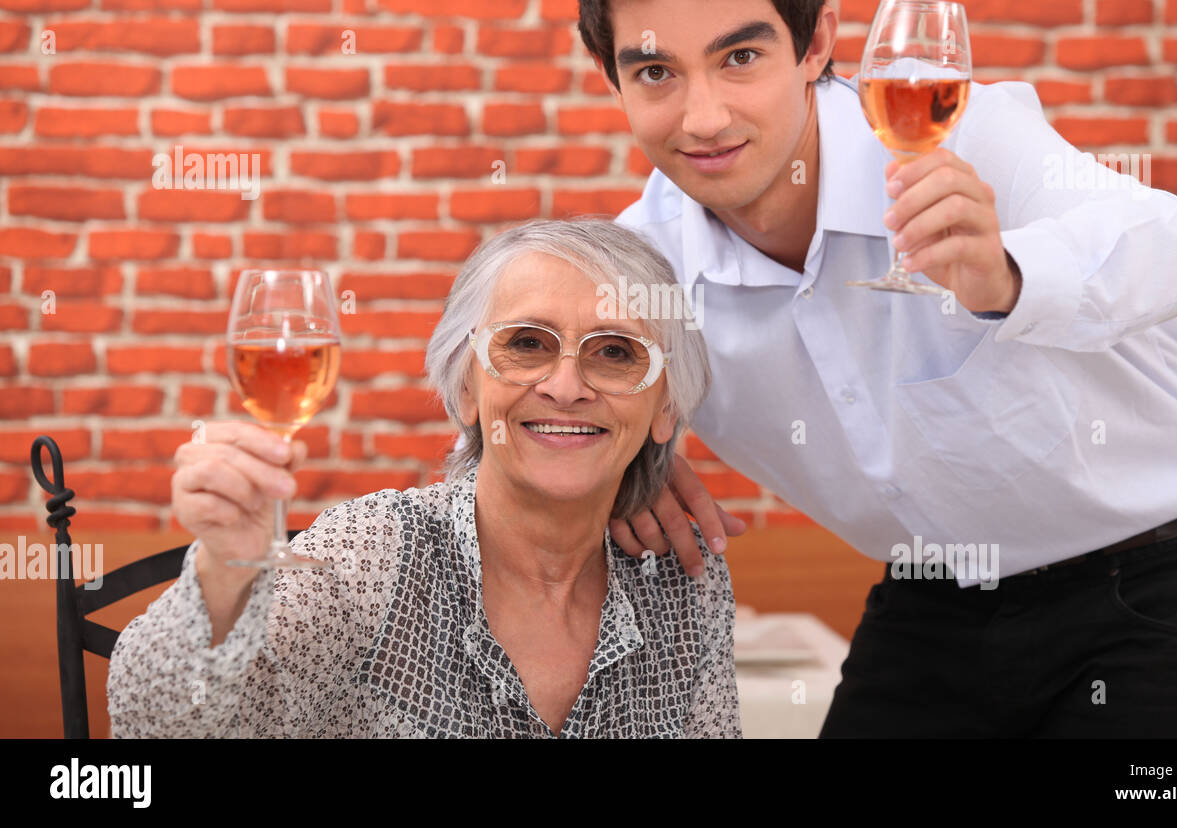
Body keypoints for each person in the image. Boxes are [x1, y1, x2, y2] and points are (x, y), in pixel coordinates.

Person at [573, 0, 1177, 736]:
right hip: (937, 593)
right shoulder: (643, 272)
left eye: (740, 57)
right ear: (612, 77)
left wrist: (1006, 274)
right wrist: (614, 460)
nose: (703, 116)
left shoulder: (953, 136)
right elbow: (523, 391)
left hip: (1158, 565)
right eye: (654, 71)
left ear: (818, 42)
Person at [108, 219, 740, 738]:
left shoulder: (685, 585)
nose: (566, 387)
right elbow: (155, 727)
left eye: (615, 352)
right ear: (467, 387)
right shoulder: (376, 553)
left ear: (665, 408)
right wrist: (223, 569)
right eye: (526, 343)